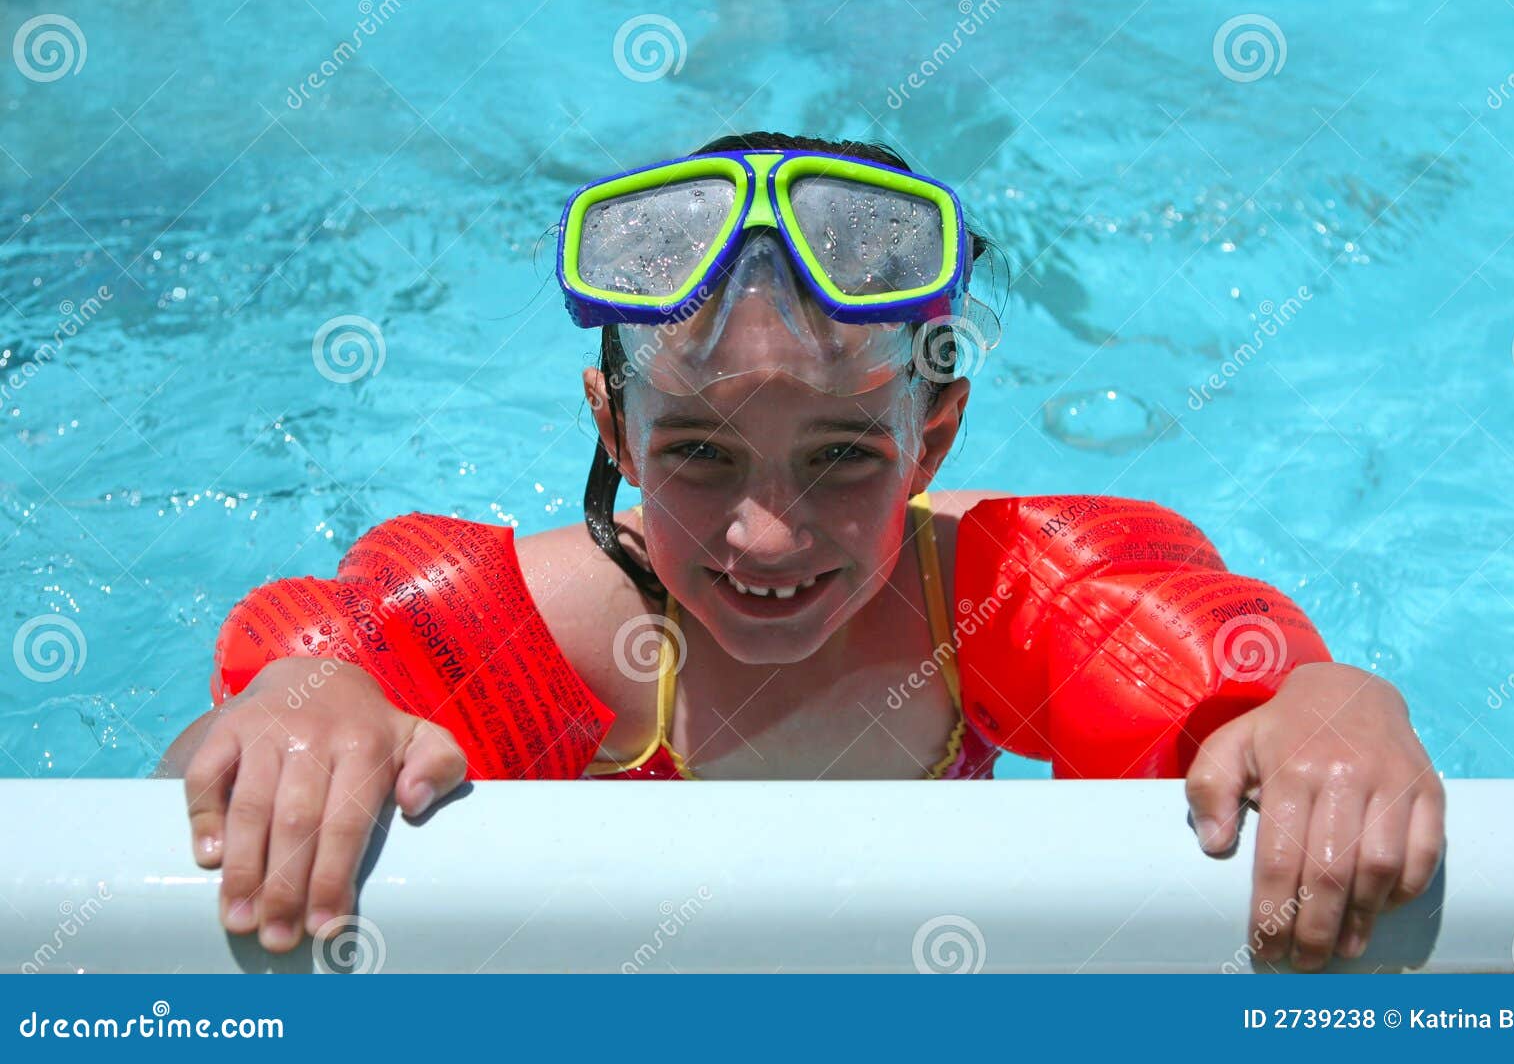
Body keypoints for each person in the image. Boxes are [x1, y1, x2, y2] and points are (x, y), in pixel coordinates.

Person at [158, 131, 1443, 970]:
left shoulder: (991, 595)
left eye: (842, 457)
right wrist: (303, 703)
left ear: (933, 433)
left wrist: (1327, 703)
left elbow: (1199, 668)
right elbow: (252, 730)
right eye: (701, 455)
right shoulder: (526, 633)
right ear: (612, 421)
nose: (765, 534)